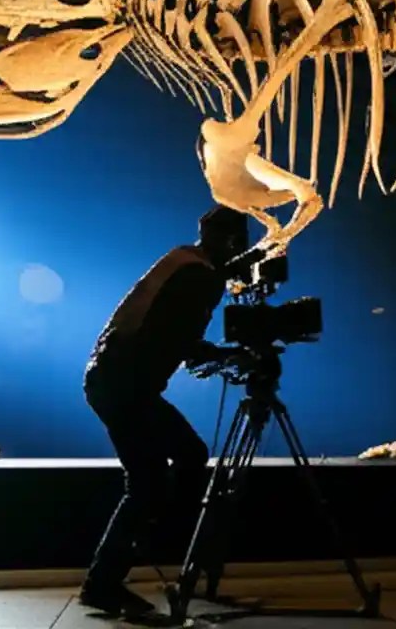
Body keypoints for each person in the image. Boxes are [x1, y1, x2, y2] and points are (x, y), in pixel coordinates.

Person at [79, 205, 249, 617]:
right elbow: (180, 340)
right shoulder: (199, 277)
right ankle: (109, 578)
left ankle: (147, 544)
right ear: (230, 243)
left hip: (114, 381)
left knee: (184, 457)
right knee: (149, 481)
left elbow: (170, 337)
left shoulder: (181, 260)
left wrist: (210, 354)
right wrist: (227, 354)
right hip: (125, 387)